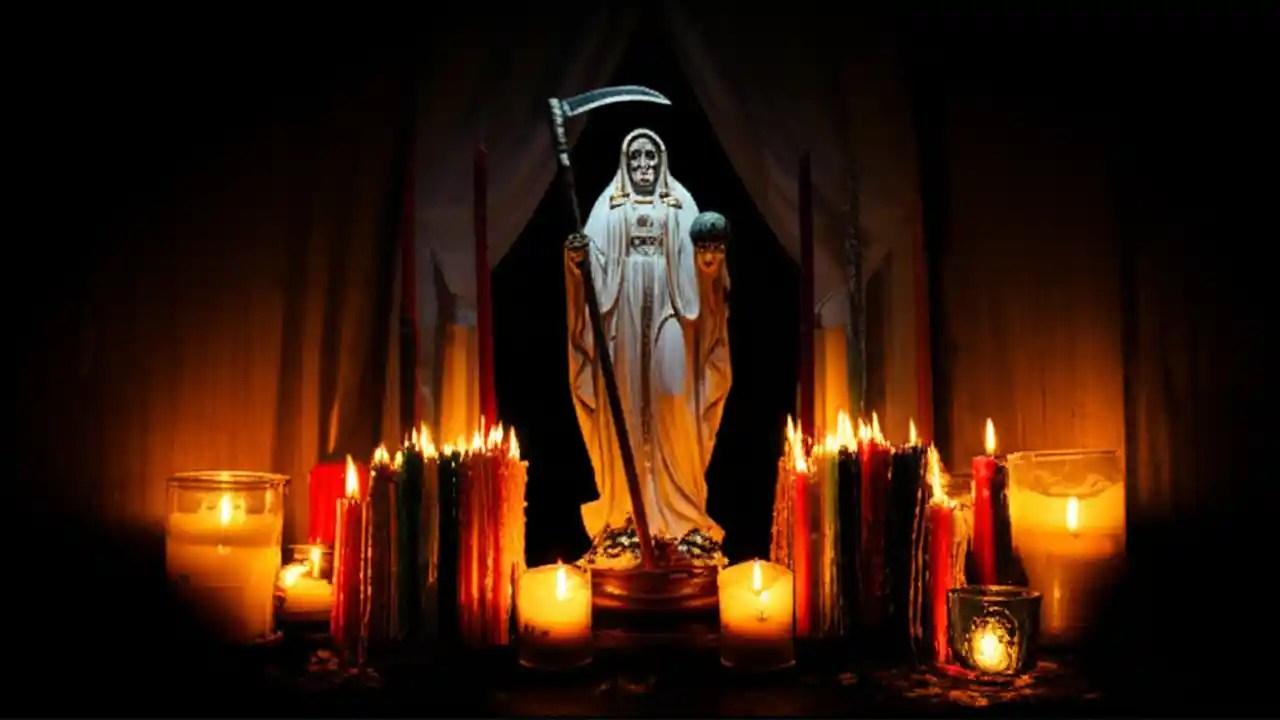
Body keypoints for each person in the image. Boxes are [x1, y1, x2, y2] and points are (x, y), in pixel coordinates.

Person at [564, 128, 731, 567]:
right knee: (626, 401)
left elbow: (703, 271)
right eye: (635, 158)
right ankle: (627, 513)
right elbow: (592, 266)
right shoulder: (609, 205)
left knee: (674, 397)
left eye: (650, 158)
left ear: (661, 161)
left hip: (671, 310)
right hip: (622, 315)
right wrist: (578, 260)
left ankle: (678, 510)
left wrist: (709, 265)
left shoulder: (681, 204)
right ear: (625, 162)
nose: (643, 166)